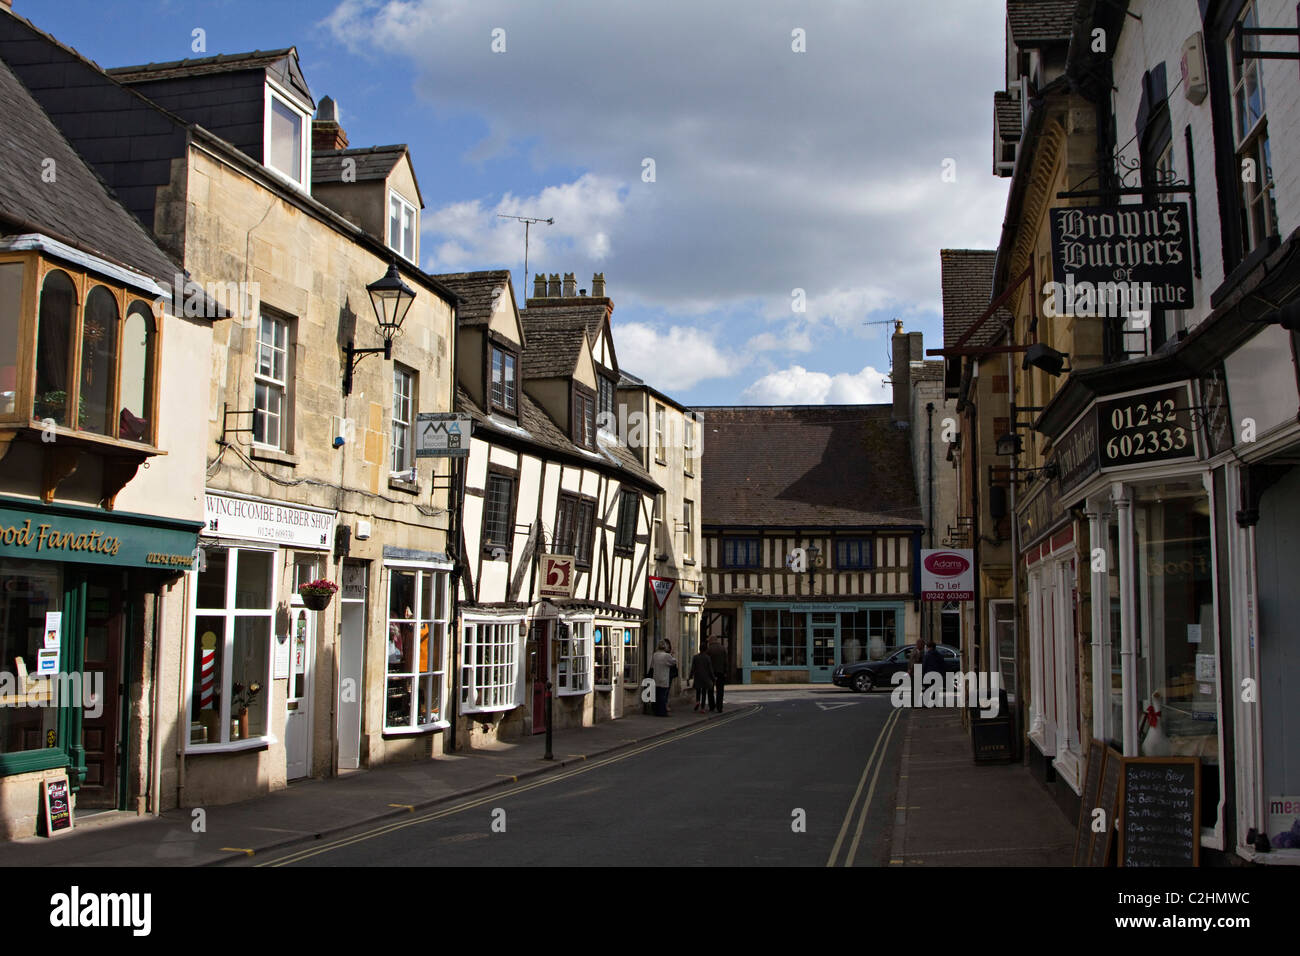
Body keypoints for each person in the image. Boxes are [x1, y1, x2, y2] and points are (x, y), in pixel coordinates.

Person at [650, 639, 677, 717]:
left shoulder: (655, 655)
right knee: (663, 696)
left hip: (656, 677)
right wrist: (672, 655)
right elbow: (673, 662)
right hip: (664, 677)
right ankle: (662, 712)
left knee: (657, 695)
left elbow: (652, 666)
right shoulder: (667, 656)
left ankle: (656, 711)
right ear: (665, 647)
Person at [691, 642, 715, 713]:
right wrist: (713, 678)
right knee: (704, 692)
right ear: (706, 649)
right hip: (705, 677)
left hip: (697, 676)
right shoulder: (707, 658)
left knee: (698, 691)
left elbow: (693, 668)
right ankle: (702, 708)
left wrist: (690, 676)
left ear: (699, 649)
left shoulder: (695, 657)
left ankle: (697, 701)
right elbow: (710, 669)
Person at [707, 636, 728, 712]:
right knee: (720, 690)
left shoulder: (709, 650)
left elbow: (707, 662)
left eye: (708, 641)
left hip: (711, 672)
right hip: (721, 672)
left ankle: (711, 706)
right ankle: (719, 707)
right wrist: (725, 672)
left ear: (711, 641)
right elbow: (726, 662)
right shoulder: (723, 648)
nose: (708, 642)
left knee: (710, 690)